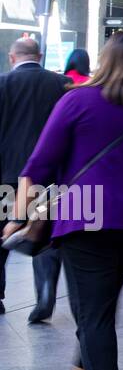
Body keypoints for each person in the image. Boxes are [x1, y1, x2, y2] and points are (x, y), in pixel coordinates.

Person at [3, 31, 123, 370]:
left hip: (84, 213)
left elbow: (37, 167)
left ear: (105, 61)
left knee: (94, 314)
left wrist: (17, 217)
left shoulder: (77, 101)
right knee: (99, 305)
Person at [0, 37, 72, 321]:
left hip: (6, 176)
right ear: (40, 56)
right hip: (48, 176)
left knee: (2, 233)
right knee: (43, 234)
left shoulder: (2, 84)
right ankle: (44, 294)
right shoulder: (61, 84)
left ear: (11, 57)